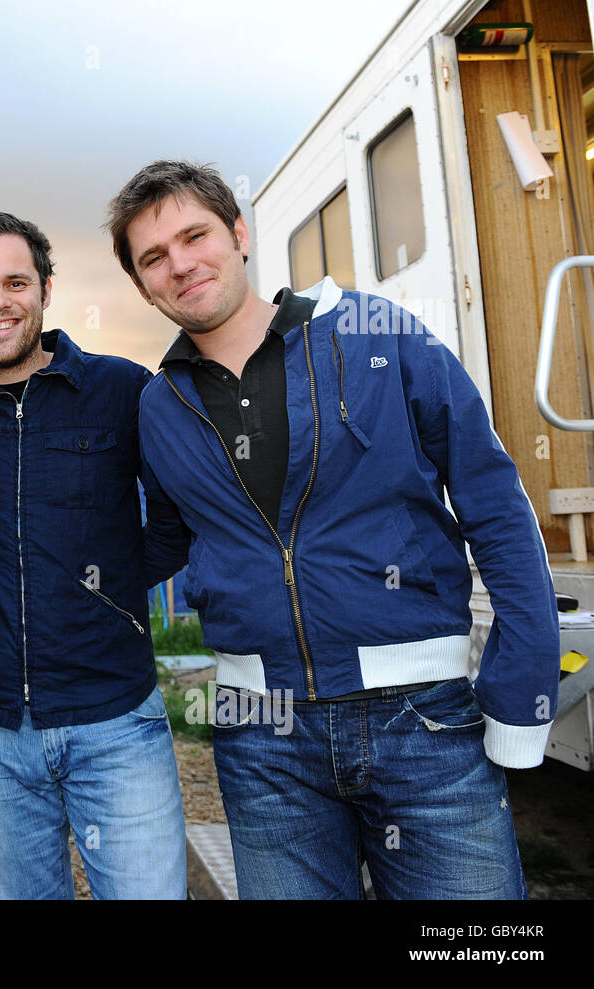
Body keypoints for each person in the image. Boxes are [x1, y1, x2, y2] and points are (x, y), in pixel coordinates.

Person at [108, 159, 559, 899]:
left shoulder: (377, 334)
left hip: (425, 720)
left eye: (195, 235)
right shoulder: (159, 407)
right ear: (140, 283)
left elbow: (496, 504)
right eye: (154, 257)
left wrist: (522, 689)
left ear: (240, 234)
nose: (180, 263)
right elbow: (166, 539)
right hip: (262, 733)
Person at [0, 213, 186, 899]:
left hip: (116, 720)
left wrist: (105, 589)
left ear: (47, 289)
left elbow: (175, 523)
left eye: (15, 281)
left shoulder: (122, 389)